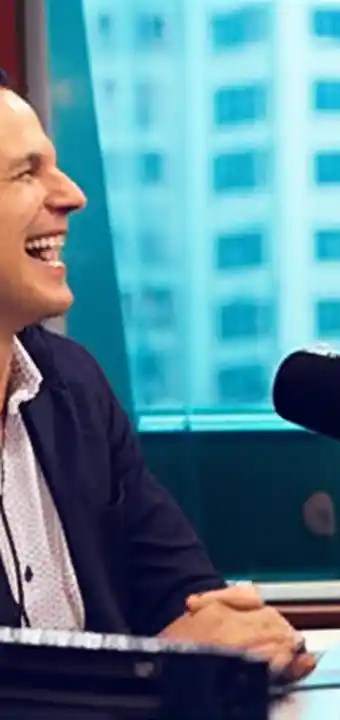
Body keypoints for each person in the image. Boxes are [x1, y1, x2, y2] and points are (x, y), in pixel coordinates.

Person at [0, 69, 313, 679]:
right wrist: (150, 673)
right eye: (25, 173)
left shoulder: (73, 385)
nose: (72, 195)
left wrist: (241, 639)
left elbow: (186, 597)